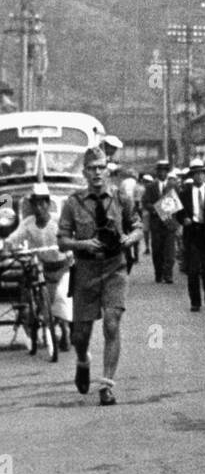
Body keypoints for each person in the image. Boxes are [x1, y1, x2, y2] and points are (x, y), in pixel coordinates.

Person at [58, 146, 143, 406]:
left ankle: (106, 385)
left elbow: (138, 225)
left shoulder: (120, 198)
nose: (97, 173)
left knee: (112, 323)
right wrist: (84, 244)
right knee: (80, 335)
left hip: (114, 267)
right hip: (85, 270)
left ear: (107, 170)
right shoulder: (73, 203)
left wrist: (131, 238)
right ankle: (83, 361)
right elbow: (62, 240)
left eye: (101, 167)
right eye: (92, 168)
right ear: (84, 172)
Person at [3, 182, 74, 354]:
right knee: (41, 300)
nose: (40, 207)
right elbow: (13, 239)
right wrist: (8, 248)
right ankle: (43, 325)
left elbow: (72, 235)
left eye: (43, 203)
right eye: (36, 203)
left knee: (61, 297)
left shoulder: (58, 221)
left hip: (64, 266)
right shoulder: (28, 223)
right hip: (44, 267)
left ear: (48, 204)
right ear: (32, 205)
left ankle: (66, 331)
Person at [176, 158, 205, 311]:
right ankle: (195, 301)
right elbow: (177, 212)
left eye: (201, 173)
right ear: (192, 176)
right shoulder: (184, 194)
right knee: (193, 270)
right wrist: (184, 219)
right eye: (196, 174)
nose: (199, 176)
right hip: (192, 233)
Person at [144, 160, 176, 283]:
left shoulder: (174, 185)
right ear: (157, 172)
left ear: (167, 172)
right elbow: (145, 202)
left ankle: (168, 275)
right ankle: (158, 273)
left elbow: (178, 203)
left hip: (169, 222)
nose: (162, 173)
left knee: (170, 251)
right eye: (160, 171)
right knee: (157, 250)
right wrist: (156, 209)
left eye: (164, 171)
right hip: (156, 222)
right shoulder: (150, 186)